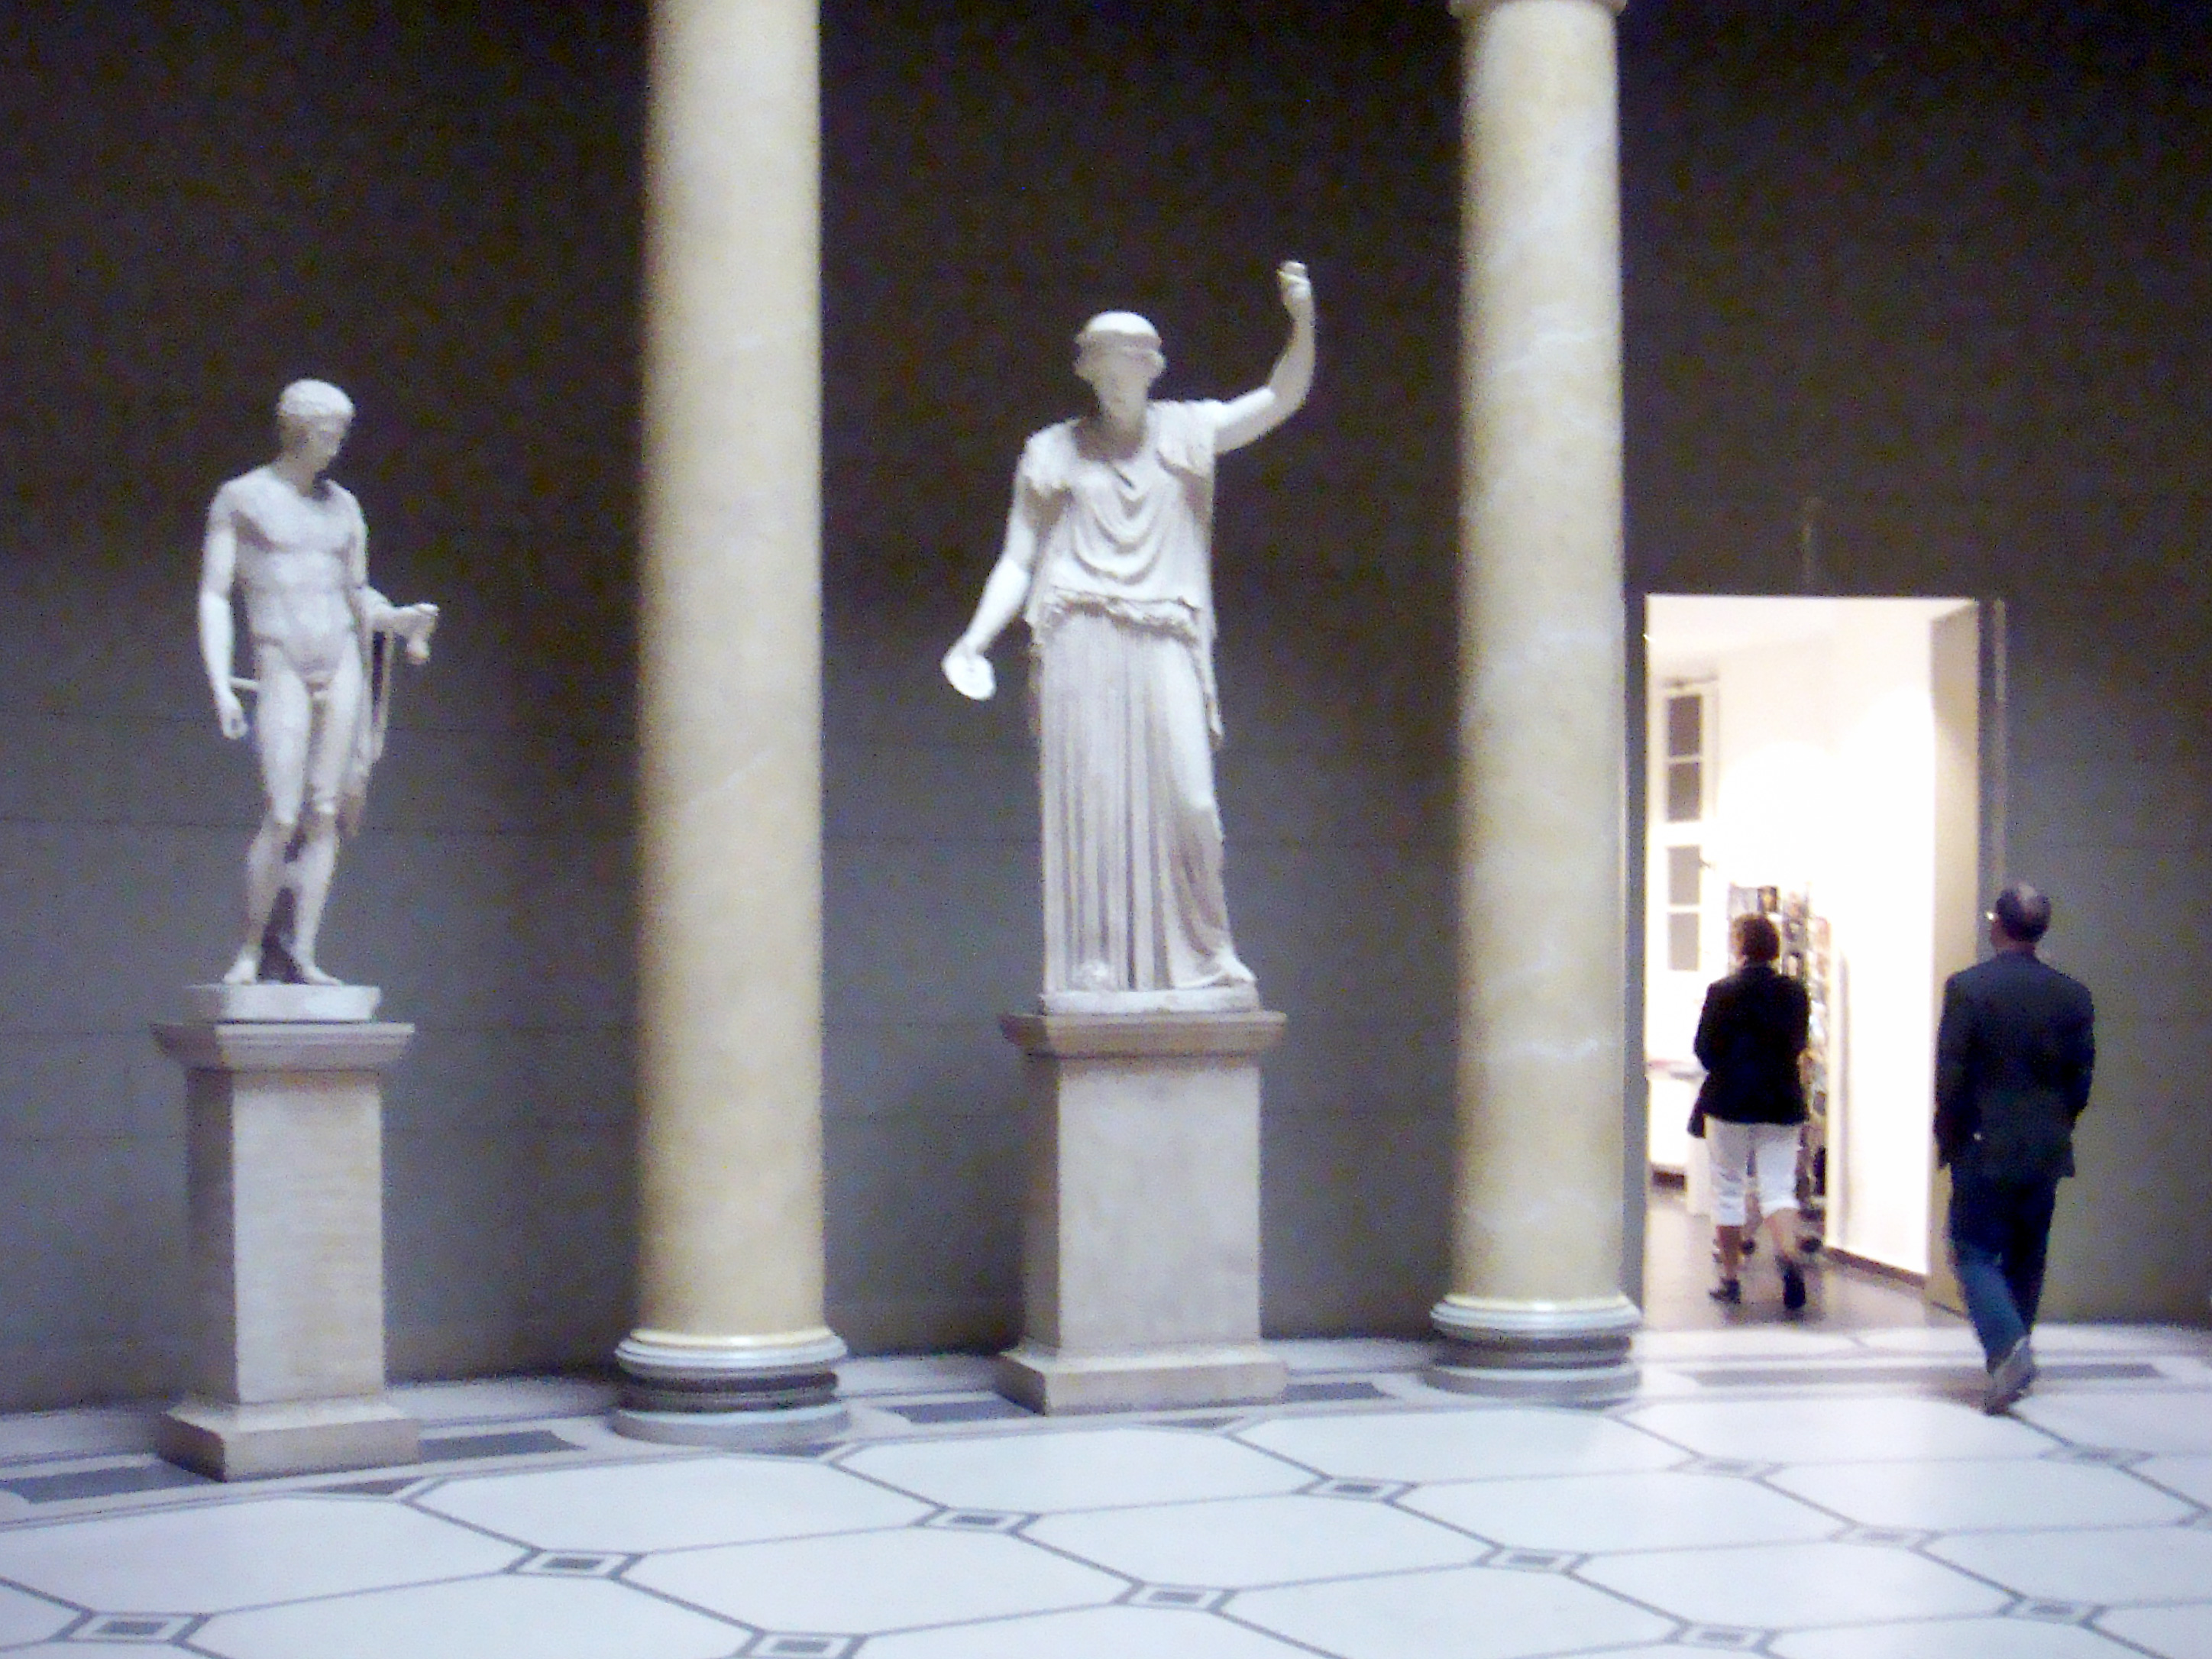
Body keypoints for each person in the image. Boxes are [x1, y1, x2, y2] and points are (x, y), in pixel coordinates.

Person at [941, 262, 1315, 1002]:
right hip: (1080, 636)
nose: (1116, 383)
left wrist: (1302, 320)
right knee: (1097, 807)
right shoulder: (1052, 451)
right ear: (1087, 373)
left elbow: (1280, 397)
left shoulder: (1188, 430)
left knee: (1192, 801)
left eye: (1129, 368)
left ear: (1151, 371)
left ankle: (1204, 955)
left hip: (1166, 635)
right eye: (1103, 371)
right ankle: (1097, 963)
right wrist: (974, 639)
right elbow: (1018, 558)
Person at [198, 380, 438, 987]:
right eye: (331, 432)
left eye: (341, 433)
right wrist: (221, 683)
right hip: (280, 660)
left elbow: (355, 593)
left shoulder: (345, 508)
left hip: (342, 661)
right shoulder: (242, 499)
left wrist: (395, 619)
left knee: (326, 812)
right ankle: (251, 950)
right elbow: (213, 594)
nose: (337, 445)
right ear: (300, 430)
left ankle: (302, 952)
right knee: (282, 814)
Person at [1935, 883, 2096, 1414]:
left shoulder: (1969, 988)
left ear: (1997, 926)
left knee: (1972, 1248)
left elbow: (1952, 1076)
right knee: (2028, 1254)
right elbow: (2080, 1080)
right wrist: (2058, 1124)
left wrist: (1948, 1136)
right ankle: (2013, 1356)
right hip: (2046, 1144)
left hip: (1984, 1142)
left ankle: (2007, 1350)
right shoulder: (2073, 995)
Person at [1692, 912, 1812, 1310]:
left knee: (1727, 1189)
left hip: (1729, 1102)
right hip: (1781, 1100)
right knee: (1777, 1187)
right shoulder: (1795, 993)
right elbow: (1797, 1043)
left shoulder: (1721, 991)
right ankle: (1789, 1257)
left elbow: (1705, 1051)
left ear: (1740, 947)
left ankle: (1729, 1278)